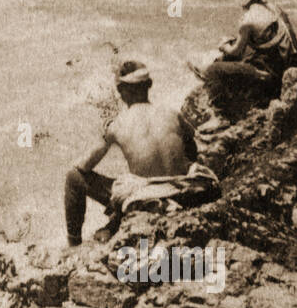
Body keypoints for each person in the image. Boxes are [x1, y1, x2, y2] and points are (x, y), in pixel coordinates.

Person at [64, 60, 197, 246]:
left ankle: (74, 245)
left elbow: (82, 166)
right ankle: (115, 220)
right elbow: (192, 150)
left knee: (73, 177)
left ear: (120, 90)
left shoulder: (117, 124)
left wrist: (105, 133)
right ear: (149, 84)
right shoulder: (172, 114)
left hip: (146, 197)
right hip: (183, 190)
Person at [202, 0, 297, 105]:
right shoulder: (275, 7)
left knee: (213, 70)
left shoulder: (248, 20)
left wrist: (224, 46)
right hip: (289, 64)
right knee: (242, 48)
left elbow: (235, 52)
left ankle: (220, 109)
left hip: (272, 77)